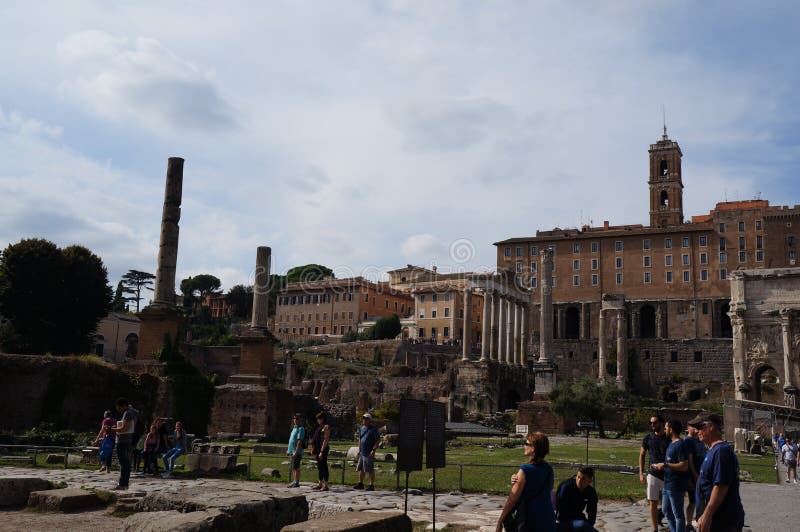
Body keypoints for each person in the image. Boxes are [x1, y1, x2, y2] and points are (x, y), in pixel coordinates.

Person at [688, 412, 744, 532]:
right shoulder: (714, 450)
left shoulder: (721, 452)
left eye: (699, 427)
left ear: (711, 426)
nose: (697, 431)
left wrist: (707, 515)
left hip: (722, 520)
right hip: (717, 520)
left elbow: (721, 487)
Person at [496, 431, 556, 532]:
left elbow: (512, 499)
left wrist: (500, 521)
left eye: (527, 443)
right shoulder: (549, 468)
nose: (524, 446)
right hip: (547, 517)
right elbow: (548, 488)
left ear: (534, 448)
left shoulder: (525, 470)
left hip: (530, 519)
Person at [652, 419, 689, 532]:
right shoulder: (671, 443)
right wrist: (659, 466)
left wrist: (666, 465)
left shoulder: (680, 444)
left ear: (671, 429)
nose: (665, 429)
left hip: (676, 485)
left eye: (666, 427)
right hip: (667, 483)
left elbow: (684, 465)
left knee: (678, 514)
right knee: (666, 511)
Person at [639, 414, 669, 532]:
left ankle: (664, 518)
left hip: (667, 474)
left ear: (662, 423)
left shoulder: (668, 437)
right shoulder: (648, 438)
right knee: (653, 502)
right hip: (652, 474)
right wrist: (641, 473)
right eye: (651, 423)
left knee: (668, 505)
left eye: (655, 422)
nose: (652, 425)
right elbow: (642, 455)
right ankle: (654, 529)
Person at [109, 397, 138, 490]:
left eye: (119, 408)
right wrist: (116, 426)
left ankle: (123, 484)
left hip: (123, 441)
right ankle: (124, 483)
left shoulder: (128, 413)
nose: (118, 410)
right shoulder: (133, 412)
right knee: (126, 463)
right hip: (128, 440)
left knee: (124, 463)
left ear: (123, 406)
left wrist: (111, 429)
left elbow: (124, 429)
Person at [555, 466, 597, 531]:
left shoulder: (591, 492)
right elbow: (559, 509)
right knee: (582, 525)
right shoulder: (567, 487)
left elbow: (592, 512)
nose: (579, 480)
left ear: (589, 481)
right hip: (563, 521)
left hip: (579, 519)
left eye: (582, 479)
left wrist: (589, 525)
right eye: (578, 477)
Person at [684, 423, 706, 531]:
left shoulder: (699, 440)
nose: (696, 429)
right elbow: (690, 461)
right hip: (694, 475)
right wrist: (694, 475)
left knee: (701, 501)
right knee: (693, 501)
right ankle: (688, 523)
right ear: (688, 428)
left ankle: (699, 520)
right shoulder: (688, 441)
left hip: (702, 475)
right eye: (693, 427)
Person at [353, 413, 379, 491]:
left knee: (370, 469)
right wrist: (359, 449)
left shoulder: (373, 429)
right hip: (362, 452)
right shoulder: (362, 428)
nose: (364, 420)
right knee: (361, 469)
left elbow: (377, 440)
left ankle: (371, 485)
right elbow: (360, 439)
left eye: (366, 418)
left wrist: (373, 450)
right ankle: (360, 483)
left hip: (369, 452)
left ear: (369, 420)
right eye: (363, 418)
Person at [311, 412, 331, 491]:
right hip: (318, 449)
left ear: (322, 419)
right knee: (320, 467)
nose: (318, 420)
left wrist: (322, 451)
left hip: (323, 449)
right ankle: (320, 483)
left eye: (319, 419)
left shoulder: (326, 427)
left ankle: (326, 485)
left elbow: (326, 439)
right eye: (317, 419)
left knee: (324, 466)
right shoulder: (320, 427)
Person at [286, 413, 306, 488]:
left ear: (300, 420)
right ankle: (294, 481)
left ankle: (297, 482)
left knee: (296, 467)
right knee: (293, 467)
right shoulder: (294, 428)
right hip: (291, 451)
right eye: (294, 418)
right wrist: (288, 450)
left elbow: (299, 442)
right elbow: (291, 440)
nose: (295, 420)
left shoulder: (301, 429)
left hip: (296, 452)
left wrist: (296, 452)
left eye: (297, 418)